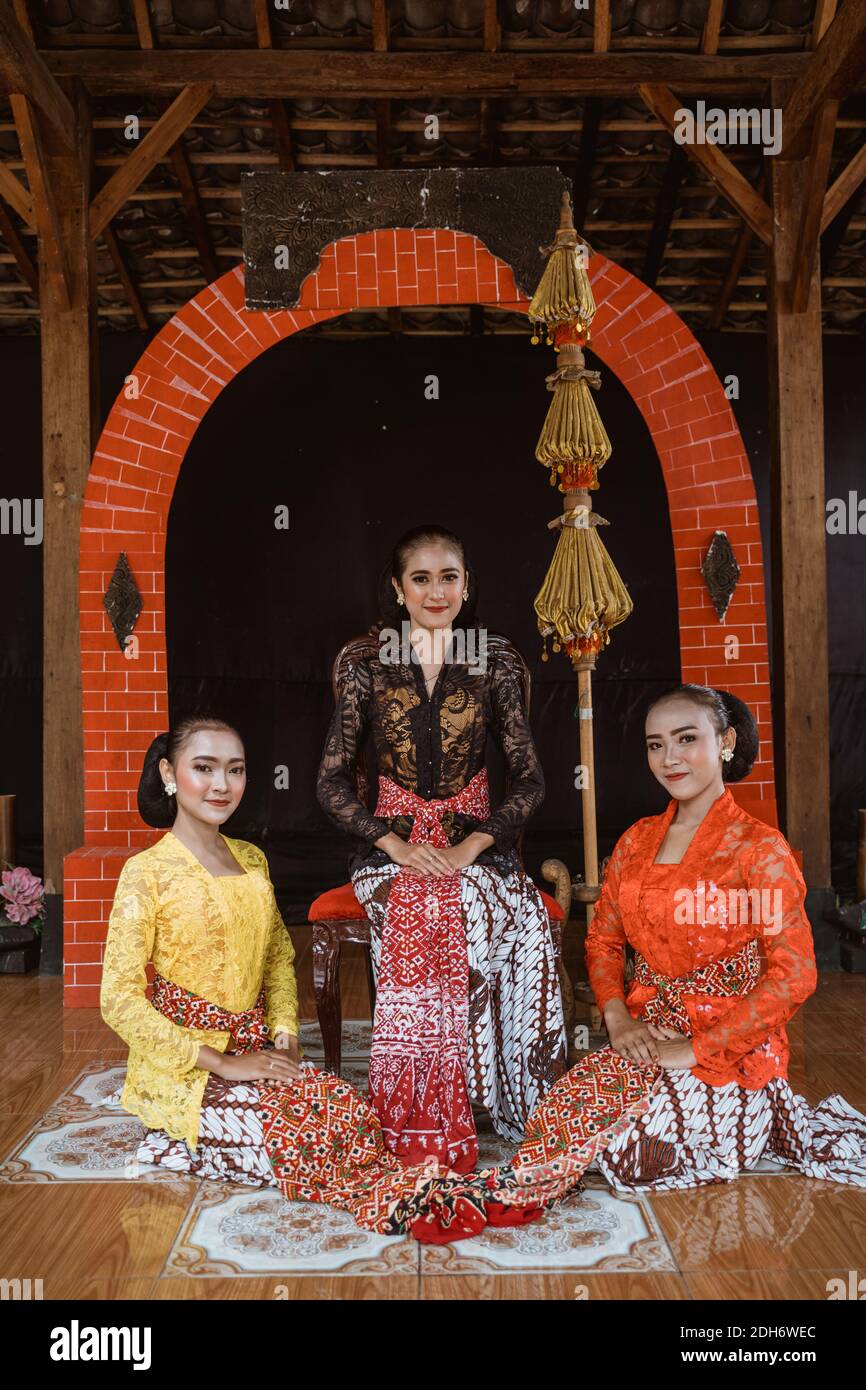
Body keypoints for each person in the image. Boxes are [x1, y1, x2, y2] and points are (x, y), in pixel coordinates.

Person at [100, 715, 543, 1244]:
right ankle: (173, 1137)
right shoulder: (146, 872)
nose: (221, 785)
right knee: (313, 1143)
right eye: (204, 768)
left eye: (235, 770)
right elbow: (119, 999)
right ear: (170, 774)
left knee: (349, 1114)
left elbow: (277, 960)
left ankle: (222, 1137)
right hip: (188, 1070)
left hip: (254, 1049)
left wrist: (284, 1037)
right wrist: (222, 1062)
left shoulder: (250, 859)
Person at [478, 684, 866, 1210]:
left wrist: (696, 1049)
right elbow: (604, 940)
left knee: (633, 1152)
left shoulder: (759, 849)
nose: (670, 758)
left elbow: (795, 975)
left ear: (725, 742)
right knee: (558, 1120)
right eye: (655, 744)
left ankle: (748, 1115)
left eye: (687, 739)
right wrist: (617, 1018)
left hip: (731, 1050)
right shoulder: (637, 840)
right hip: (646, 1031)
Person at [316, 524, 567, 1173]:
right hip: (389, 850)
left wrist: (473, 846)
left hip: (477, 845)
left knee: (482, 911)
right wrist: (391, 844)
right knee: (422, 908)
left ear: (466, 585)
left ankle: (502, 1095)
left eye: (449, 577)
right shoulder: (371, 668)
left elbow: (530, 778)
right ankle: (423, 1109)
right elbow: (332, 781)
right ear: (398, 589)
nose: (436, 590)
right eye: (421, 578)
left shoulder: (495, 661)